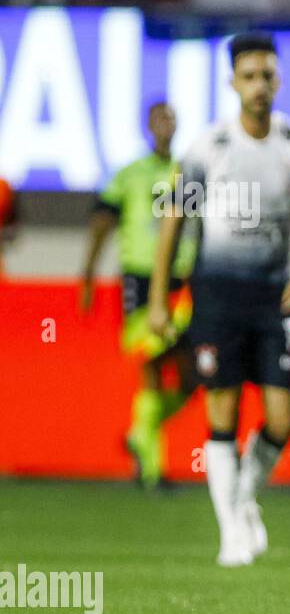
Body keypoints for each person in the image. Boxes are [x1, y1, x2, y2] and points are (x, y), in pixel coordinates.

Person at [149, 32, 290, 567]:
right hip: (217, 295)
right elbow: (172, 221)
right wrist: (161, 298)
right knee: (222, 412)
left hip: (275, 297)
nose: (258, 85)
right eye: (248, 76)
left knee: (282, 419)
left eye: (266, 75)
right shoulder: (207, 149)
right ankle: (231, 529)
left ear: (278, 81)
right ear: (233, 82)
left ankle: (243, 496)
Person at [81, 101, 197, 488]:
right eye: (159, 118)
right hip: (142, 280)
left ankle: (139, 434)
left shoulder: (186, 174)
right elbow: (102, 222)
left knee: (189, 377)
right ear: (149, 125)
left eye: (171, 118)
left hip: (179, 282)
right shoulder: (129, 175)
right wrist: (87, 275)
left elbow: (197, 228)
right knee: (150, 367)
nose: (166, 124)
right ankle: (152, 469)